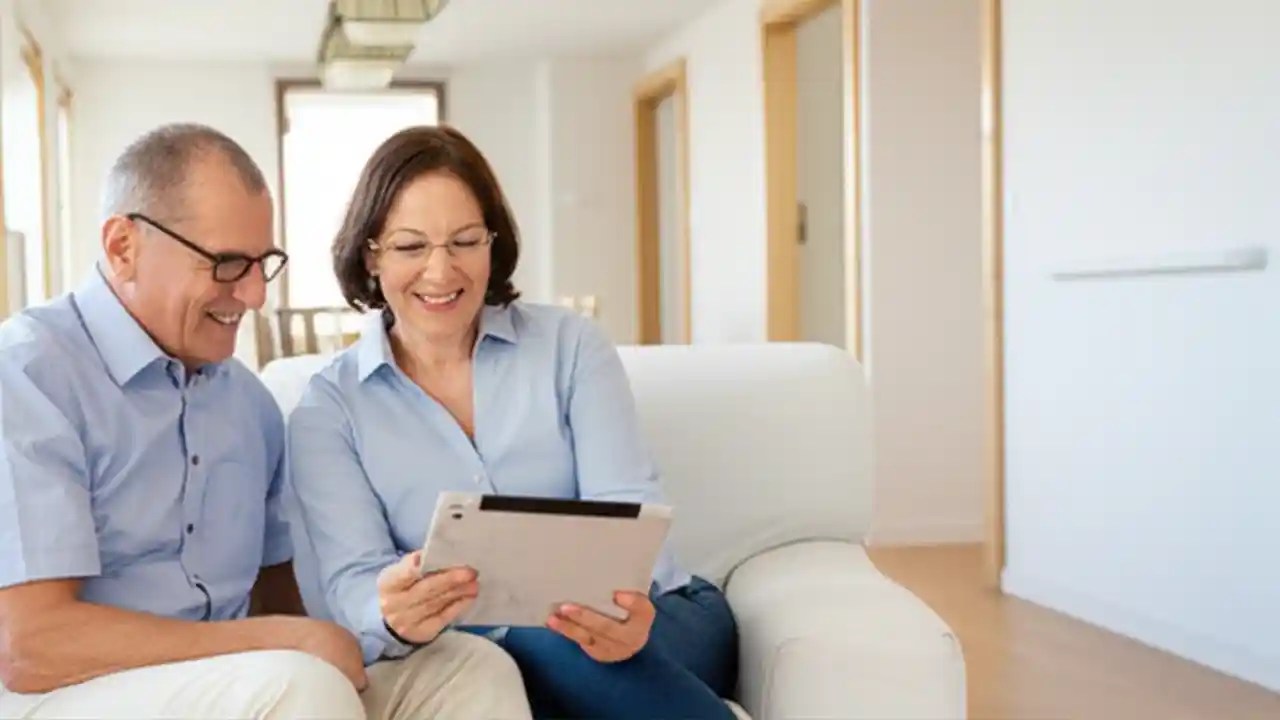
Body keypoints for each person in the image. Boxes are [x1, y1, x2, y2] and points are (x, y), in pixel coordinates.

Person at [0, 123, 531, 719]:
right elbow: (29, 646)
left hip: (242, 681)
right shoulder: (28, 375)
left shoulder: (246, 404)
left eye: (263, 263)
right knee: (301, 683)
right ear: (124, 247)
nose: (254, 295)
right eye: (227, 264)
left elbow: (281, 597)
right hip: (65, 694)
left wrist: (370, 624)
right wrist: (283, 644)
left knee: (468, 669)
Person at [285, 124, 740, 720]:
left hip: (655, 623)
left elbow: (627, 503)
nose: (441, 272)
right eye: (410, 246)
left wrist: (624, 607)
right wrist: (390, 611)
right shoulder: (329, 409)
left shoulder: (570, 346)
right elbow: (354, 585)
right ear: (371, 255)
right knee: (508, 662)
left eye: (465, 241)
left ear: (493, 243)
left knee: (538, 647)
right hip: (491, 658)